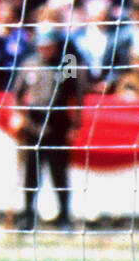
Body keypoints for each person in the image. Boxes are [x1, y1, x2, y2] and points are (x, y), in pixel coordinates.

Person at [9, 24, 87, 231]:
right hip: (33, 126)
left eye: (49, 46)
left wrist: (75, 124)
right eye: (42, 46)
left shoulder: (67, 63)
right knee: (31, 175)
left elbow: (76, 96)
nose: (46, 50)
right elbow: (17, 93)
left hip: (58, 124)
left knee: (59, 174)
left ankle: (64, 216)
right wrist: (17, 115)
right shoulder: (29, 64)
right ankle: (27, 215)